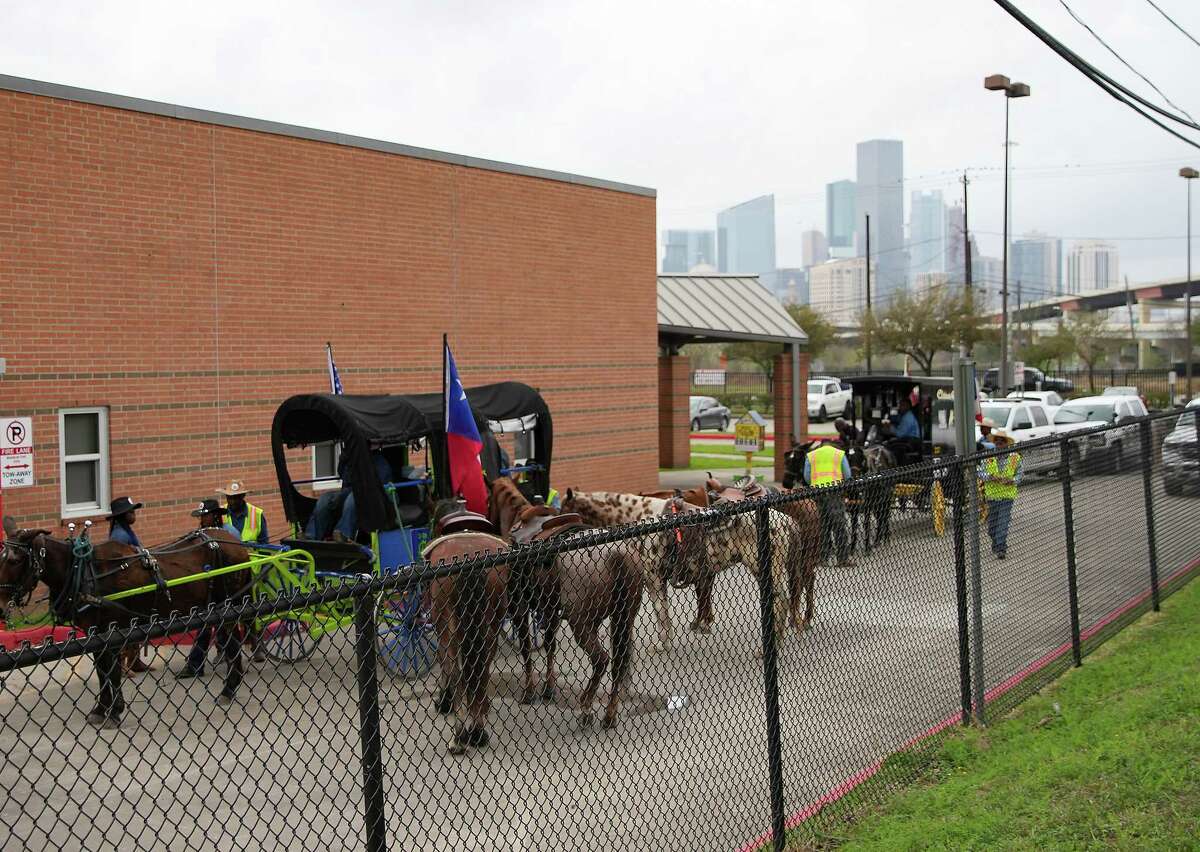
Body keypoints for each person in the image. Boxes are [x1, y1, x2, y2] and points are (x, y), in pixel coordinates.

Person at [178, 498, 257, 679]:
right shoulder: (202, 534)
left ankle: (198, 664)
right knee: (214, 624)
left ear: (214, 516)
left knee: (214, 624)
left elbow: (237, 560)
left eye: (205, 516)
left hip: (225, 585)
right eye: (201, 516)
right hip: (209, 584)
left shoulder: (228, 533)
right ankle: (218, 661)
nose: (202, 520)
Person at [803, 436, 855, 567]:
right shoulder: (839, 454)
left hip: (818, 493)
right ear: (831, 445)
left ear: (820, 445)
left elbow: (807, 476)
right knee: (839, 525)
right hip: (834, 492)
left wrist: (816, 484)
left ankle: (822, 558)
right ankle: (842, 558)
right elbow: (847, 474)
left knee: (823, 525)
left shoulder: (811, 455)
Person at [332, 451, 393, 543]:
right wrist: (343, 462)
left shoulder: (379, 461)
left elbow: (379, 482)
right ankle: (311, 536)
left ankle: (344, 534)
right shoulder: (352, 460)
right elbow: (344, 476)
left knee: (354, 496)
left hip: (378, 492)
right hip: (352, 489)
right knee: (326, 499)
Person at [979, 430, 1022, 559]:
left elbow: (1020, 473)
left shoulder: (1015, 457)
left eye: (1002, 441)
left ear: (1006, 444)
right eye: (997, 441)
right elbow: (979, 471)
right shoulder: (988, 457)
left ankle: (1001, 548)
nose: (999, 443)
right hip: (992, 497)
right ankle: (996, 542)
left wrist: (1012, 480)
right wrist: (990, 477)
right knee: (992, 526)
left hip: (1007, 496)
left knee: (1003, 522)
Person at [218, 481, 269, 545]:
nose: (233, 501)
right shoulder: (219, 513)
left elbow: (264, 543)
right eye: (230, 498)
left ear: (243, 496)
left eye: (236, 498)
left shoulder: (257, 513)